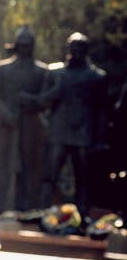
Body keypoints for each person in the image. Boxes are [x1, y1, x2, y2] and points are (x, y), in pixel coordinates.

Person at [0, 25, 48, 216]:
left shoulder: (41, 71)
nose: (24, 48)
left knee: (29, 167)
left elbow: (45, 100)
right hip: (6, 127)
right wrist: (7, 115)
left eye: (28, 45)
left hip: (30, 128)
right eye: (22, 44)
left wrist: (31, 101)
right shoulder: (3, 69)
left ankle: (27, 207)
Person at [38, 32, 107, 220]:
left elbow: (101, 110)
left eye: (80, 48)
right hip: (58, 131)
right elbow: (43, 104)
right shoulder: (55, 72)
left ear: (85, 51)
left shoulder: (96, 77)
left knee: (83, 178)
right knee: (49, 175)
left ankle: (82, 215)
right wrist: (47, 127)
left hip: (83, 133)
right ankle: (43, 211)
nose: (75, 52)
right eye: (73, 48)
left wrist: (100, 139)